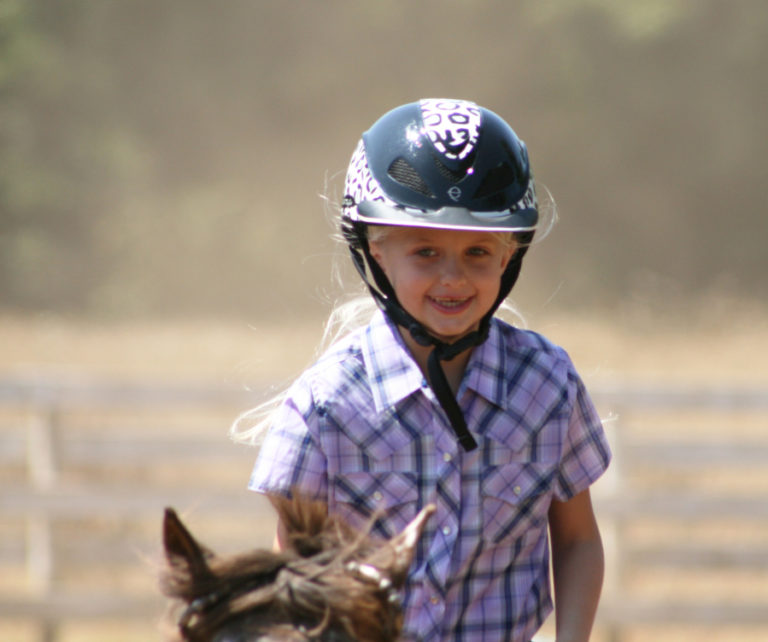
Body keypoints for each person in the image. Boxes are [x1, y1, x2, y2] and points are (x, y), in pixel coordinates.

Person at [243, 98, 612, 642]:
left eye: (478, 252)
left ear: (508, 256)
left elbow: (578, 539)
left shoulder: (547, 385)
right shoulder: (325, 407)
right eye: (425, 252)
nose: (453, 278)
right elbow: (294, 572)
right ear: (377, 250)